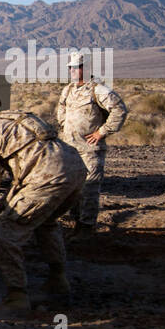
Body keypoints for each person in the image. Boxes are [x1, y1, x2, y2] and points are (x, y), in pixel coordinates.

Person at [0, 89, 85, 315]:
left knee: (7, 230)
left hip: (47, 177)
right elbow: (23, 178)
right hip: (74, 168)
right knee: (45, 222)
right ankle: (58, 280)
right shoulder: (18, 117)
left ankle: (17, 296)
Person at [56, 51, 126, 241]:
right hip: (70, 148)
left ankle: (87, 227)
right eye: (70, 67)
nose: (72, 70)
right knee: (72, 187)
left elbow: (119, 109)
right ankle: (76, 224)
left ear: (86, 69)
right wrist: (65, 126)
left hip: (90, 149)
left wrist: (101, 132)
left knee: (89, 187)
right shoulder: (68, 90)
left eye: (77, 67)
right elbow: (61, 109)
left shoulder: (98, 89)